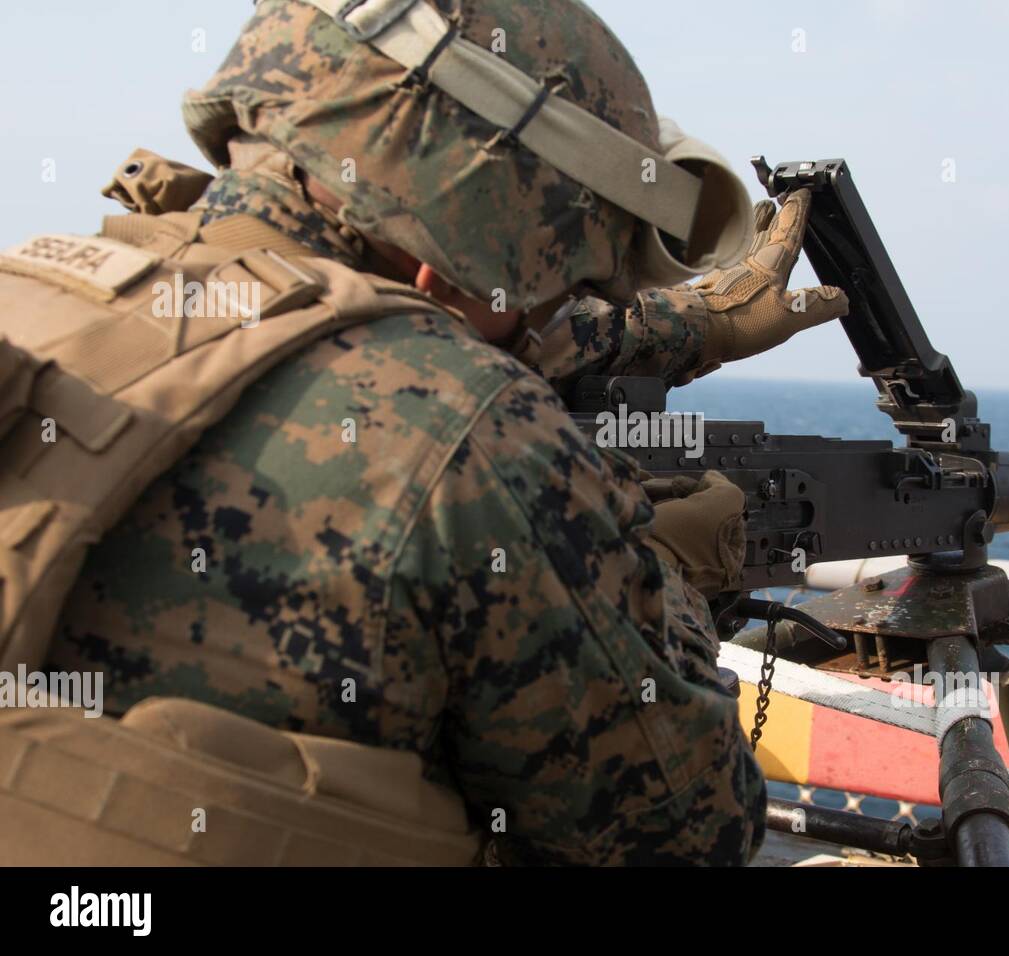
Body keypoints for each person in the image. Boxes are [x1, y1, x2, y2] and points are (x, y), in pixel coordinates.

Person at [25, 0, 845, 865]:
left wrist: (693, 323)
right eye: (560, 284)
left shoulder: (54, 300)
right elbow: (685, 833)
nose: (553, 315)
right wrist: (660, 585)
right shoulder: (475, 439)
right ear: (463, 248)